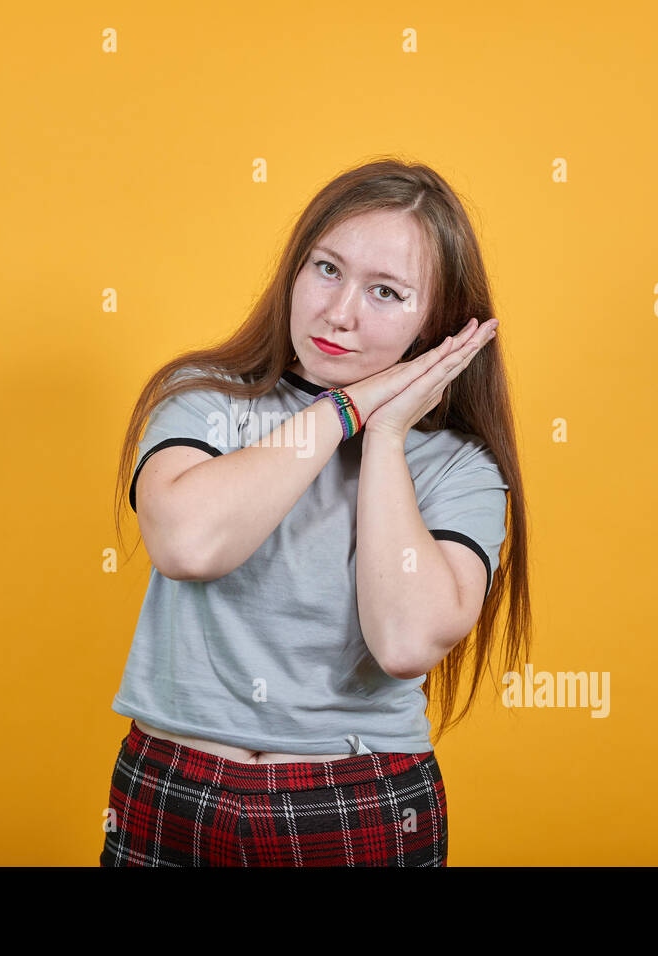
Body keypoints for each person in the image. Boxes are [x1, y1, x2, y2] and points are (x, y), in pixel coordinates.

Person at [101, 157, 532, 866]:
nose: (340, 312)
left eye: (386, 292)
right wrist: (348, 407)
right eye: (327, 269)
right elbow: (188, 543)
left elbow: (403, 643)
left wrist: (387, 434)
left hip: (356, 796)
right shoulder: (205, 398)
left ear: (439, 327)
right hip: (172, 787)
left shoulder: (460, 466)